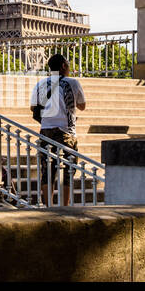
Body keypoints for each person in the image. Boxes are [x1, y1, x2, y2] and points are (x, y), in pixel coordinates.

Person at [29, 53, 87, 206]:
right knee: (69, 169)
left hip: (46, 130)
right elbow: (82, 106)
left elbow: (32, 108)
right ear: (63, 66)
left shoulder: (41, 84)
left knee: (47, 169)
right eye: (68, 64)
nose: (69, 67)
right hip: (66, 131)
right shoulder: (73, 82)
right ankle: (65, 205)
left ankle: (48, 205)